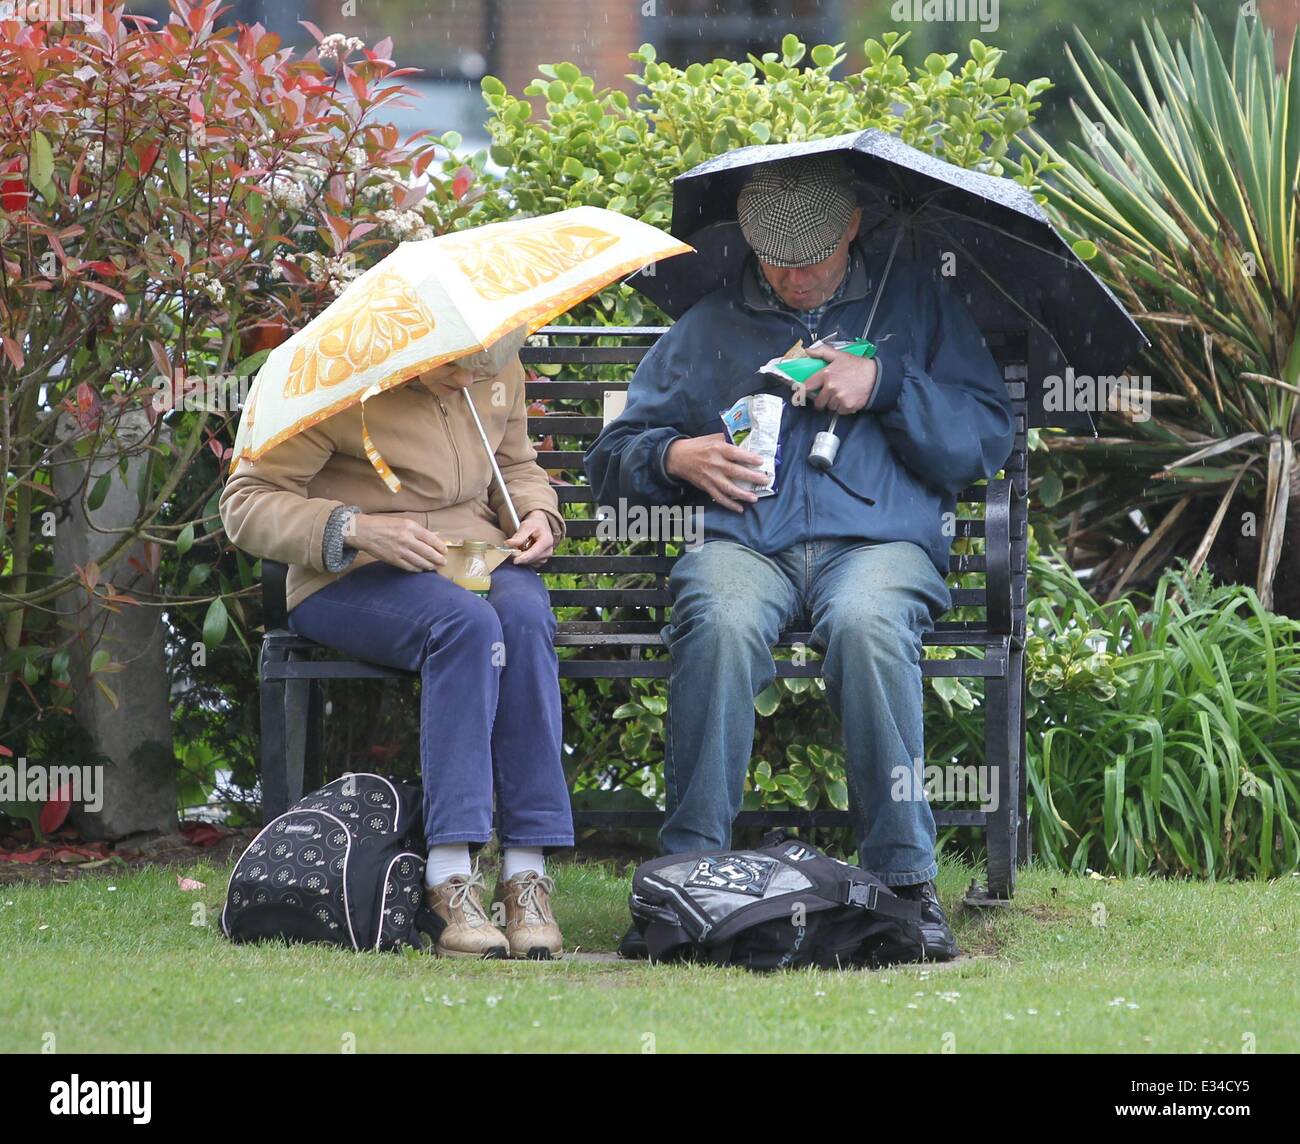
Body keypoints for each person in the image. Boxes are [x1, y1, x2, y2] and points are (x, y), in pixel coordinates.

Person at [585, 155, 1016, 960]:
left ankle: (906, 885)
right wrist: (677, 456)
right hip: (746, 545)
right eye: (777, 264)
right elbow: (611, 459)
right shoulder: (711, 325)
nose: (794, 280)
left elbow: (983, 440)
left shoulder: (917, 303)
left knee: (865, 626)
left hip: (880, 545)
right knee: (717, 619)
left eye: (811, 260)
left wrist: (884, 382)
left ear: (851, 228)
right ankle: (687, 876)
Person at [219, 326, 573, 960]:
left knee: (521, 619)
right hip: (350, 574)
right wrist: (353, 527)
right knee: (467, 627)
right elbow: (246, 503)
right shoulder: (331, 377)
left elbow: (515, 467)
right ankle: (448, 875)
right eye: (451, 371)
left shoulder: (494, 359)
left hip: (473, 555)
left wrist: (537, 514)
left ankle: (526, 869)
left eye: (481, 370)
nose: (468, 382)